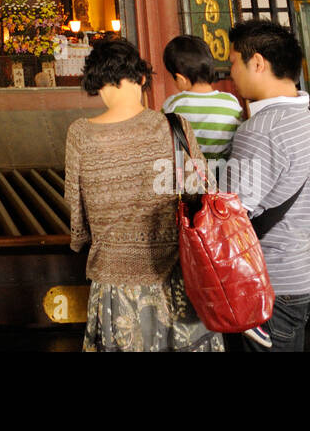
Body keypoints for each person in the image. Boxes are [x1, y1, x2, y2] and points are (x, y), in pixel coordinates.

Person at [65, 39, 223, 353]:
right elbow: (203, 192)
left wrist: (81, 239)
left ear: (97, 84)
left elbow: (75, 206)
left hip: (114, 279)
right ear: (140, 79)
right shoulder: (175, 126)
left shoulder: (80, 133)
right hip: (177, 277)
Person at [225, 20, 310, 352]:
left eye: (233, 63)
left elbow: (232, 213)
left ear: (257, 63)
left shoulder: (260, 129)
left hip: (269, 285)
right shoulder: (309, 117)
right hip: (303, 274)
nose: (231, 73)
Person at [161, 35, 244, 162]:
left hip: (187, 174)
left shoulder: (173, 105)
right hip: (222, 174)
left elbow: (164, 140)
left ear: (181, 79)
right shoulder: (231, 103)